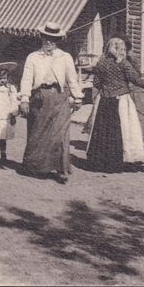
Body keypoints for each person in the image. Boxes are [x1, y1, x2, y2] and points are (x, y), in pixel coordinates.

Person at [19, 21, 83, 183]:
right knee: (38, 133)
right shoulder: (33, 57)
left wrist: (77, 97)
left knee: (60, 135)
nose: (49, 42)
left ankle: (61, 169)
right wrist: (24, 99)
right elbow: (26, 80)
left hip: (60, 98)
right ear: (42, 38)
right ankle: (36, 167)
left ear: (57, 41)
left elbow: (72, 79)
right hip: (40, 98)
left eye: (53, 39)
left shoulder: (65, 57)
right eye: (46, 38)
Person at [85, 37, 144, 172]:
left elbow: (96, 83)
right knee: (123, 130)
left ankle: (100, 162)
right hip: (121, 101)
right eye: (123, 49)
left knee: (103, 131)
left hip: (104, 101)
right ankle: (118, 161)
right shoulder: (124, 64)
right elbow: (136, 80)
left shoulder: (101, 63)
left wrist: (107, 86)